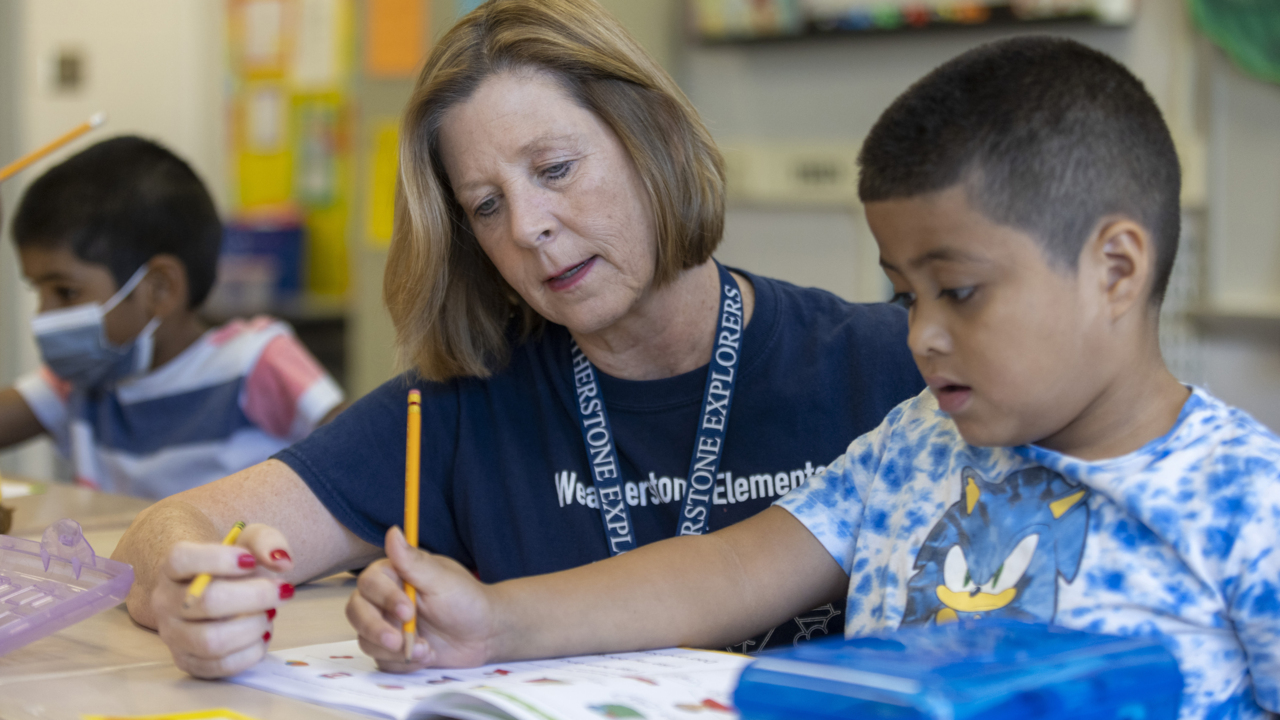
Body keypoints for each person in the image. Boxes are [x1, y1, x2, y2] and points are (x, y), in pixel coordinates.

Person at [345, 37, 1280, 720]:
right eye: (906, 297)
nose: (924, 336)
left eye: (959, 292)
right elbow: (726, 566)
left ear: (1116, 269)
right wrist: (493, 622)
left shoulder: (1251, 505)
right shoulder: (914, 443)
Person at [109, 0, 923, 678]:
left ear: (655, 141)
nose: (530, 227)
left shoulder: (896, 365)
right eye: (486, 206)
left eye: (556, 168)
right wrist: (197, 590)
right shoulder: (458, 409)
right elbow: (167, 533)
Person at [0, 137, 344, 498]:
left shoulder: (254, 362)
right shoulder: (78, 381)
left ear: (160, 288)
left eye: (65, 293)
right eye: (38, 293)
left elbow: (363, 452)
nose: (43, 316)